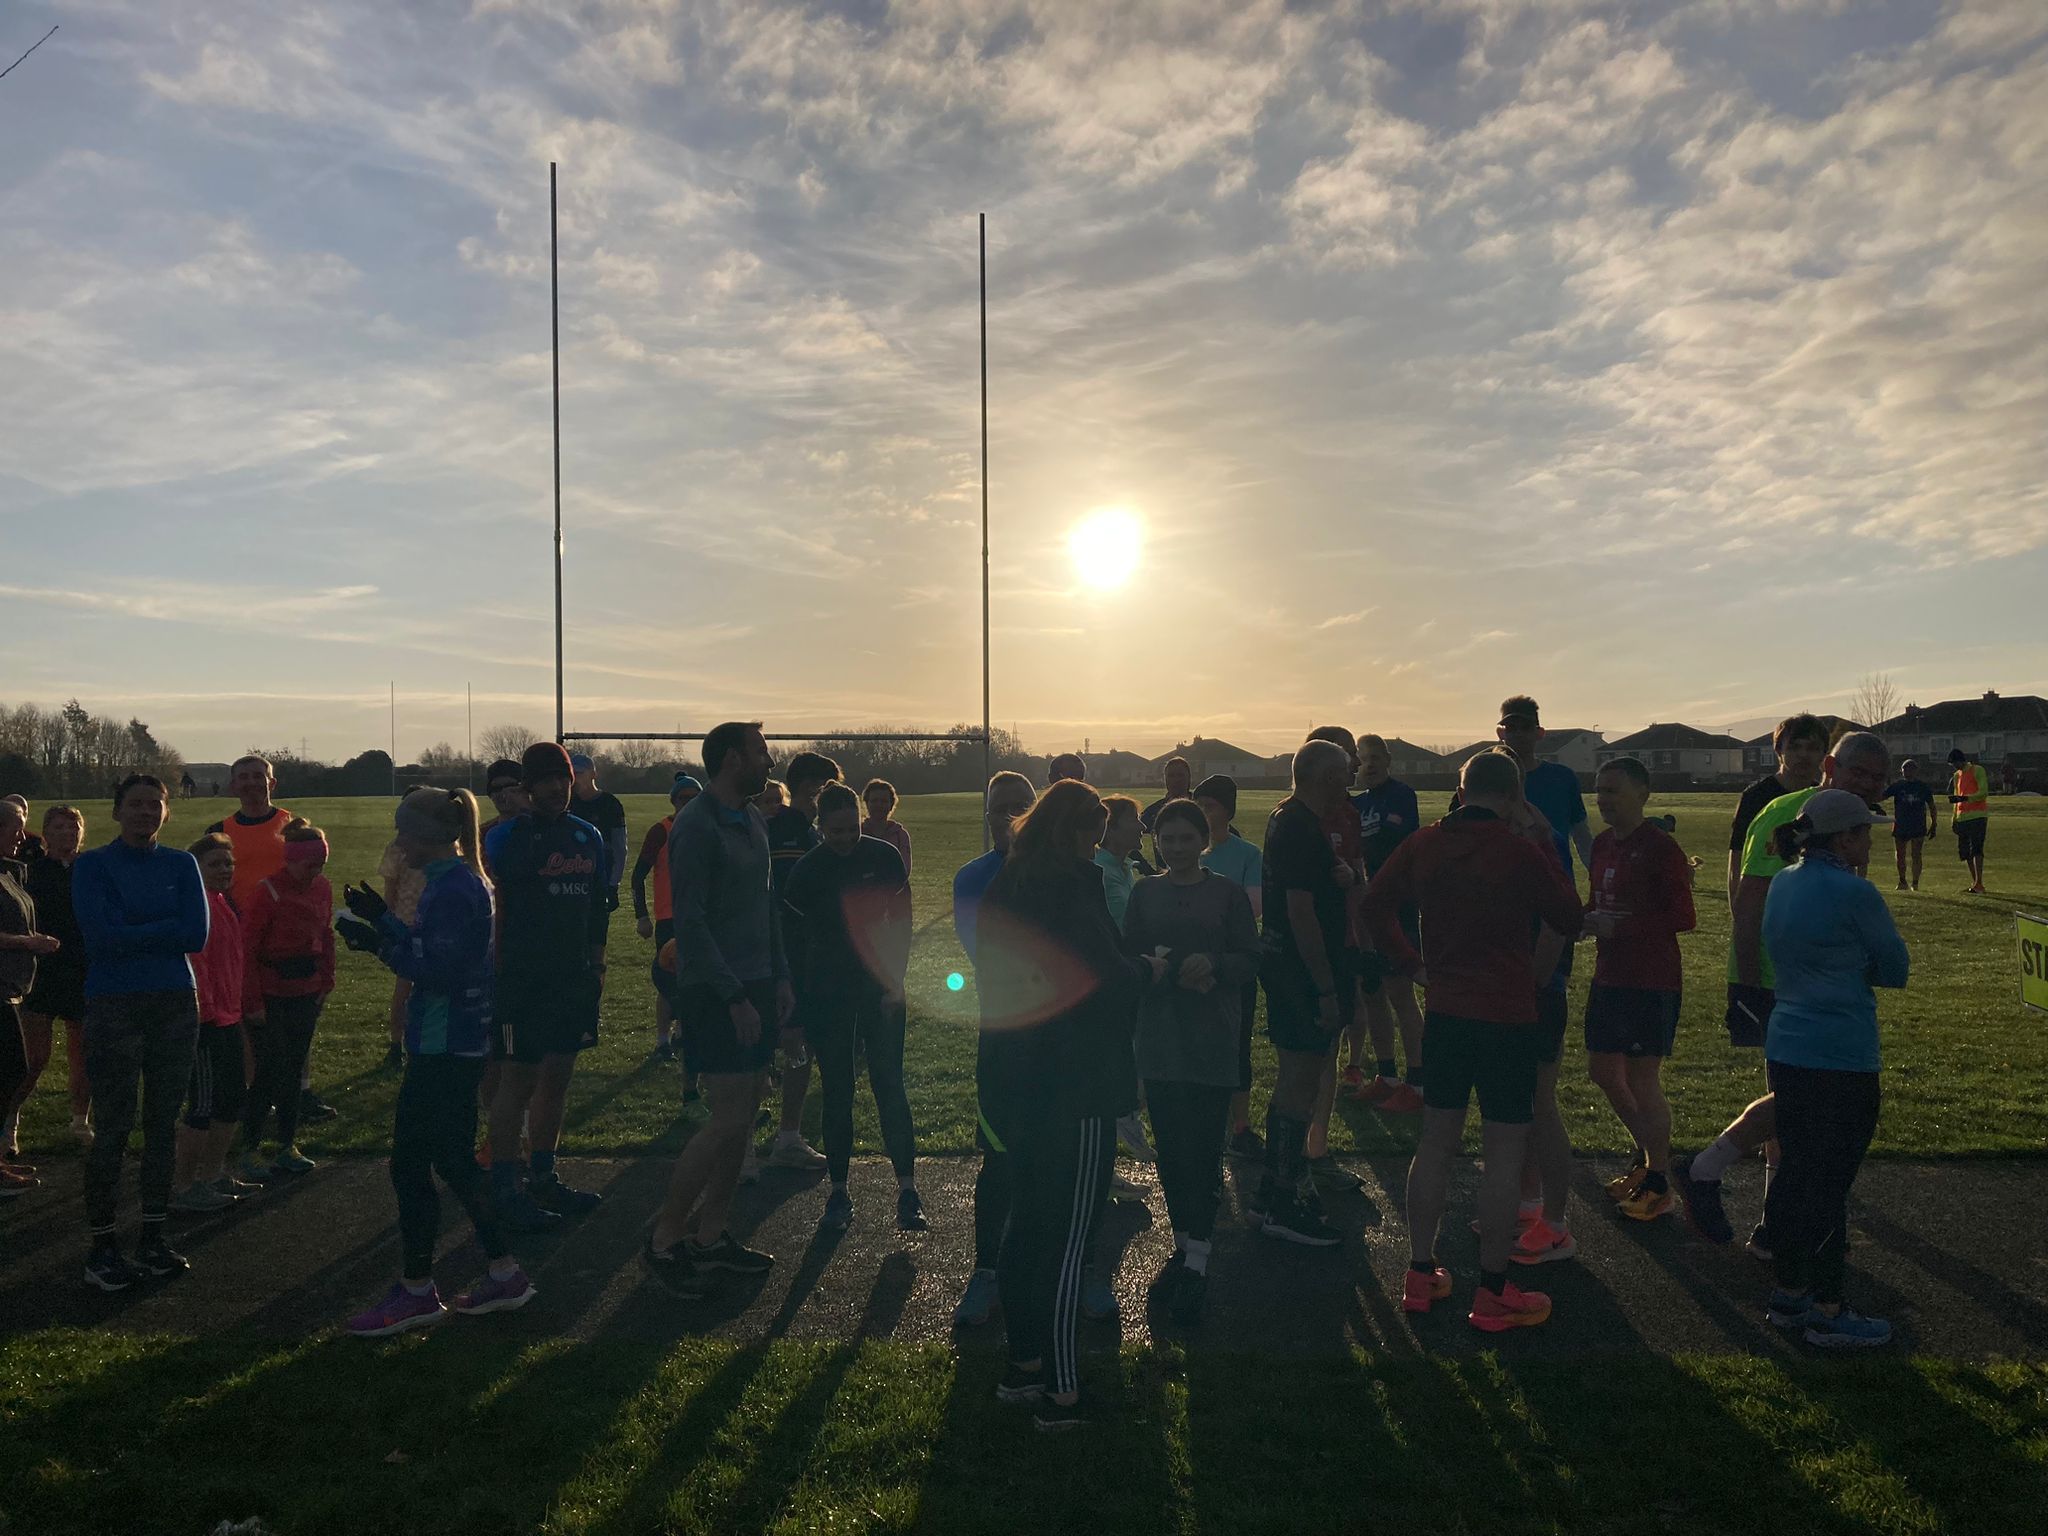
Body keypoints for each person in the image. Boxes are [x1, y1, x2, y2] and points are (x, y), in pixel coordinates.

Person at [1361, 750, 1584, 1332]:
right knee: (1504, 1152)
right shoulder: (1519, 850)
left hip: (1447, 1013)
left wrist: (1410, 962)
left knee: (1436, 1142)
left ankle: (1419, 1271)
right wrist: (1543, 841)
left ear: (1461, 792)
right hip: (1508, 1016)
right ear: (1514, 798)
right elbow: (1570, 915)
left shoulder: (1425, 844)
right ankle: (1492, 1289)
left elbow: (1373, 904)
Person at [977, 779, 1162, 1431]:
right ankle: (1061, 1388)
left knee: (1028, 1224)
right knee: (1068, 1235)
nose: (1097, 845)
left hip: (1014, 1080)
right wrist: (1151, 969)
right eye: (1095, 832)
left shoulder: (1010, 881)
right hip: (1073, 1084)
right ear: (1077, 831)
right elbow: (1103, 979)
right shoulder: (1070, 886)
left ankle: (1025, 1364)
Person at [1677, 731, 1891, 1253]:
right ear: (1830, 767)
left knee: (1800, 1108)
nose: (1866, 784)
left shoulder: (1851, 823)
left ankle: (1774, 1225)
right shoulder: (1790, 815)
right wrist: (1749, 984)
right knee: (1800, 1102)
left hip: (1824, 987)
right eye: (1857, 772)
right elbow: (1751, 901)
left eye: (1876, 777)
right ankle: (1707, 1171)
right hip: (1778, 982)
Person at [340, 787, 536, 1336]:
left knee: (411, 1166)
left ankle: (419, 1290)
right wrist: (383, 919)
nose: (398, 841)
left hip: (443, 1043)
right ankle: (503, 1273)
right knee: (452, 1161)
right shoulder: (457, 880)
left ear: (428, 836)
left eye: (404, 831)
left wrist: (376, 944)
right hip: (456, 1041)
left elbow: (437, 973)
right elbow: (433, 948)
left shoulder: (451, 887)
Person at [1758, 790, 1909, 1348]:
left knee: (1797, 1170)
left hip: (1787, 1043)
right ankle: (1827, 1307)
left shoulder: (1783, 881)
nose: (1869, 841)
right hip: (1841, 1051)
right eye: (1864, 832)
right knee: (1830, 1182)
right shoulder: (1854, 891)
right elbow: (1895, 966)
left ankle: (1789, 1292)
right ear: (1845, 838)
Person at [646, 721, 792, 1297]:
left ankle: (711, 1236)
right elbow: (692, 922)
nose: (770, 763)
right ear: (732, 759)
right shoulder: (697, 825)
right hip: (717, 991)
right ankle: (664, 1239)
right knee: (729, 1116)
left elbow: (766, 905)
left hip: (757, 983)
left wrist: (780, 977)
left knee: (745, 1115)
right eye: (761, 752)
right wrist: (734, 997)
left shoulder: (752, 818)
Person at [1122, 800, 1259, 1327]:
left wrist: (1216, 965)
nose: (1176, 848)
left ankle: (1199, 1256)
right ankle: (1182, 1245)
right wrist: (1172, 967)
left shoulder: (1226, 893)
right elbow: (1130, 954)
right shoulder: (1145, 892)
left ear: (1204, 840)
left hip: (1210, 1039)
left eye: (1186, 838)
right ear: (1156, 842)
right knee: (1172, 1153)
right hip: (1161, 1040)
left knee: (1202, 1152)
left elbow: (1251, 958)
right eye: (1167, 839)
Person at [74, 774, 208, 1290]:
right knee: (113, 1125)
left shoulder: (182, 864)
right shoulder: (93, 865)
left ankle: (153, 1236)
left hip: (174, 1001)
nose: (146, 812)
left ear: (166, 813)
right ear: (117, 811)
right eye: (136, 804)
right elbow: (100, 938)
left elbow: (196, 934)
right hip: (115, 1003)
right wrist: (163, 927)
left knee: (162, 1124)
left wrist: (133, 928)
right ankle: (103, 1246)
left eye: (155, 805)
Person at [782, 782, 922, 1232]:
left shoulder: (884, 857)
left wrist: (895, 980)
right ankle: (839, 1192)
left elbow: (903, 923)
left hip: (880, 988)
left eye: (852, 829)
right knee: (837, 1089)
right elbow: (793, 945)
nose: (844, 839)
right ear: (820, 827)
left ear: (862, 820)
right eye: (835, 832)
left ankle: (907, 1190)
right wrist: (796, 1010)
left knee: (889, 1083)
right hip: (828, 992)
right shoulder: (807, 870)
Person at [484, 741, 611, 1229]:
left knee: (557, 1078)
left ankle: (543, 1175)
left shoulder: (587, 835)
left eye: (563, 778)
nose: (558, 787)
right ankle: (504, 1185)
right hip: (521, 978)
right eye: (546, 780)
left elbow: (598, 906)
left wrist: (596, 966)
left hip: (572, 978)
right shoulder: (505, 837)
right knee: (517, 1081)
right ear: (529, 786)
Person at [1252, 738, 1357, 1246]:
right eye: (1345, 771)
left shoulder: (1288, 817)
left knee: (1296, 1081)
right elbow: (1300, 911)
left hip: (1287, 970)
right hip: (1301, 976)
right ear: (1326, 777)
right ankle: (1283, 1198)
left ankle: (1274, 1189)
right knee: (1300, 1082)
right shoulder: (1298, 825)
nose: (1352, 779)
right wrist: (1325, 988)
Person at [1582, 757, 1697, 1223]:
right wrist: (1583, 920)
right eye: (1599, 790)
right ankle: (1650, 1158)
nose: (1603, 799)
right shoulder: (1602, 845)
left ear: (1642, 794)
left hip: (1650, 980)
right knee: (1602, 1072)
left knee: (1641, 1079)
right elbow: (1597, 902)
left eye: (1613, 790)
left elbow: (1683, 916)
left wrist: (1621, 929)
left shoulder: (1660, 847)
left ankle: (1659, 1182)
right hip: (1609, 975)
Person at [951, 770, 1037, 1326]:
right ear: (986, 817)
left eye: (1019, 805)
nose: (1008, 817)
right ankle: (987, 1272)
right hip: (1004, 1036)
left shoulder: (1071, 870)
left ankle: (1075, 1270)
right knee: (999, 1157)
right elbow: (985, 951)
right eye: (998, 808)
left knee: (1064, 1158)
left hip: (1063, 1038)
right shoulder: (973, 877)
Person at [207, 755, 332, 1127]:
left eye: (258, 776)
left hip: (288, 941)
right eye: (243, 777)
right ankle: (254, 1093)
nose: (251, 783)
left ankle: (299, 1091)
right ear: (233, 785)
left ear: (272, 783)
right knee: (249, 1021)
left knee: (296, 1023)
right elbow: (212, 880)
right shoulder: (221, 830)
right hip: (240, 935)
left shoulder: (293, 825)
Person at [236, 819, 336, 1183]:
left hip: (305, 991)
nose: (316, 871)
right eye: (310, 864)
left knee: (293, 1069)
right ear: (291, 860)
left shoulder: (321, 888)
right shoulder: (267, 893)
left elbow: (325, 934)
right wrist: (252, 1002)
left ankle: (286, 1145)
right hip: (271, 994)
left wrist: (326, 980)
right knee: (267, 1071)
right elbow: (247, 950)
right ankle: (249, 1147)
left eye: (321, 864)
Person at [761, 751, 840, 1173]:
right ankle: (750, 1147)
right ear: (811, 788)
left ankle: (787, 1137)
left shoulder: (809, 832)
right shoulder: (781, 830)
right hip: (778, 954)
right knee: (770, 1045)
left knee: (799, 1044)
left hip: (803, 955)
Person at [1299, 726, 1367, 1187]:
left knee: (1329, 1047)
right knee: (1307, 1055)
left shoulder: (1349, 814)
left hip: (1343, 942)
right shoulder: (1299, 819)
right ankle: (1301, 1155)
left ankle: (1315, 1148)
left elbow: (1357, 875)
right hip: (1310, 949)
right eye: (1348, 760)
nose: (1355, 768)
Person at [1348, 734, 1426, 1112]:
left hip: (1396, 907)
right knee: (1371, 992)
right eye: (1363, 759)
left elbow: (1391, 843)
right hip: (1364, 910)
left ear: (1388, 760)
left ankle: (1418, 1082)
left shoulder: (1401, 795)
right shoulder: (1356, 804)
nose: (1370, 764)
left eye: (1376, 757)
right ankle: (1387, 1075)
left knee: (1400, 994)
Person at [170, 834, 247, 1211]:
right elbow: (198, 965)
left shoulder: (222, 903)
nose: (225, 870)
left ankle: (212, 1173)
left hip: (229, 1017)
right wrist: (209, 1012)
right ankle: (183, 1186)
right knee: (202, 1106)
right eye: (214, 864)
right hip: (205, 1022)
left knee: (231, 1099)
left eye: (228, 863)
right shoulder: (196, 906)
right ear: (196, 868)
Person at [11, 805, 90, 1156]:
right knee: (35, 1056)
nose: (67, 833)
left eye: (73, 827)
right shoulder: (30, 872)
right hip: (42, 971)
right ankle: (10, 1121)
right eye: (59, 827)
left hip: (82, 968)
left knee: (84, 1053)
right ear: (46, 833)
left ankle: (80, 1121)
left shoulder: (91, 869)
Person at [1193, 775, 1265, 1158]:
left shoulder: (1248, 854)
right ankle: (1206, 1124)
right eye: (1199, 805)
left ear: (1228, 811)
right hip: (1193, 966)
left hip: (1235, 964)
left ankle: (1240, 1127)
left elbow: (1253, 907)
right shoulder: (1189, 851)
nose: (1203, 812)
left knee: (1237, 1046)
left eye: (1210, 806)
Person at [0, 798, 56, 1197]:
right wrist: (27, 942)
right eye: (16, 826)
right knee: (12, 1069)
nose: (23, 835)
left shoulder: (8, 871)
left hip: (10, 988)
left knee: (12, 1070)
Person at [633, 773, 704, 1067]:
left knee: (696, 980)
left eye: (694, 799)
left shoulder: (707, 829)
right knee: (668, 982)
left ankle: (683, 1035)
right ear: (673, 801)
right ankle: (663, 1040)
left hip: (700, 917)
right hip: (669, 918)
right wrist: (642, 916)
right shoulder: (661, 831)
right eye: (682, 799)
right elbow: (637, 876)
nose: (687, 804)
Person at [1727, 716, 1829, 910]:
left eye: (1812, 748)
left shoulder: (1825, 799)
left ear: (1824, 754)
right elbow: (1737, 858)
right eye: (1794, 747)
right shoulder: (1755, 797)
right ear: (1778, 750)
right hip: (1767, 904)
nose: (1803, 755)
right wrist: (1738, 913)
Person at [376, 814, 431, 1072]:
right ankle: (399, 1043)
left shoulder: (400, 846)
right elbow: (390, 888)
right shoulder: (403, 847)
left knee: (408, 986)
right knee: (406, 986)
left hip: (414, 920)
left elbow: (390, 889)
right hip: (410, 922)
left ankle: (401, 1044)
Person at [569, 753, 629, 913]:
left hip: (601, 876)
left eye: (580, 774)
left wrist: (613, 884)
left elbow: (619, 848)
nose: (575, 778)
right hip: (571, 877)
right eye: (573, 774)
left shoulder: (610, 804)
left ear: (593, 775)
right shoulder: (567, 803)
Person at [1881, 759, 1940, 891]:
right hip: (1901, 824)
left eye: (1911, 769)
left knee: (1916, 854)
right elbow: (1882, 796)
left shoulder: (1922, 787)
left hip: (1917, 824)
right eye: (1905, 769)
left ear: (1915, 771)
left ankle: (1915, 882)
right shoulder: (1897, 786)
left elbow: (1932, 806)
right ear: (1902, 771)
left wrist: (1934, 823)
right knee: (1900, 854)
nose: (1908, 771)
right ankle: (1902, 880)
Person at [1948, 748, 1989, 894]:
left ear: (1961, 760)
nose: (1954, 766)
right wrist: (1954, 818)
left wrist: (1966, 798)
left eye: (1954, 763)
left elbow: (1983, 792)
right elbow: (1956, 797)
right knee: (1965, 852)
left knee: (1976, 849)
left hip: (1977, 816)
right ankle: (1975, 882)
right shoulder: (1956, 776)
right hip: (1962, 818)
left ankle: (1979, 883)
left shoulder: (1977, 770)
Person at [860, 779, 913, 875]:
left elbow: (905, 869)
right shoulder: (857, 832)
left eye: (884, 801)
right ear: (867, 803)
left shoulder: (900, 835)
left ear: (891, 805)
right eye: (874, 801)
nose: (879, 805)